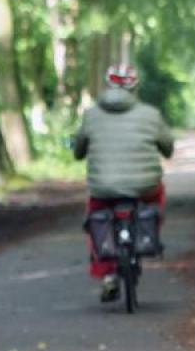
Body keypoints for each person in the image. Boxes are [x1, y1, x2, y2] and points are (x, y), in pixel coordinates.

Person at [73, 64, 175, 302]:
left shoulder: (91, 115)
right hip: (144, 186)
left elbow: (78, 151)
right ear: (134, 86)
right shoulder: (151, 114)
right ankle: (147, 237)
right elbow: (168, 148)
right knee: (155, 197)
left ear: (107, 84)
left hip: (103, 187)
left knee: (95, 213)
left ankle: (106, 273)